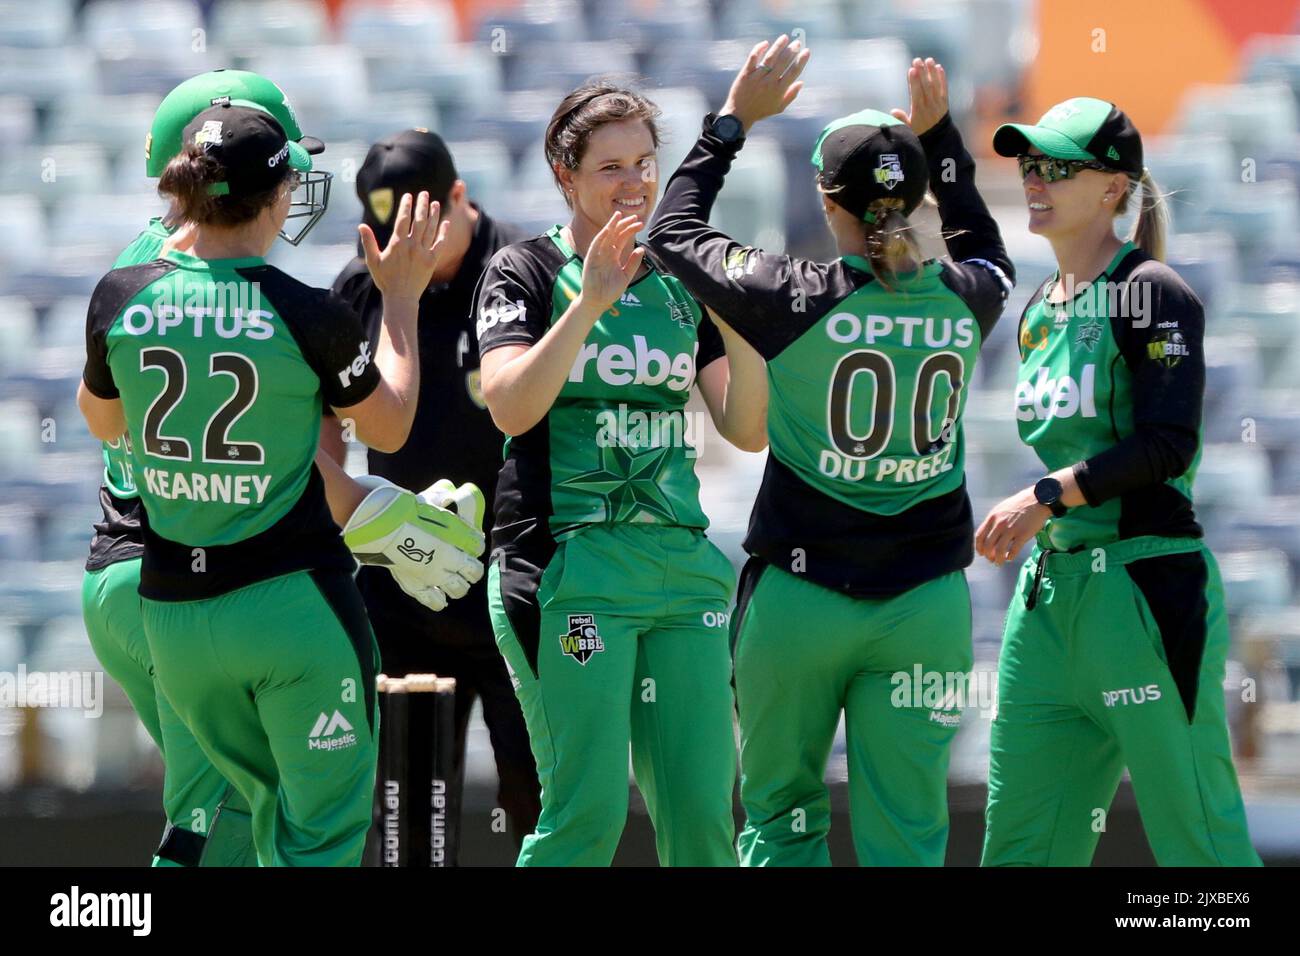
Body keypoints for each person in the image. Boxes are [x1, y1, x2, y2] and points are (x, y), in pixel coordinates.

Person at [78, 103, 483, 866]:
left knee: (219, 820)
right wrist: (398, 298)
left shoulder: (119, 294)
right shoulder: (307, 313)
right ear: (273, 194)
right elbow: (390, 428)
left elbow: (103, 423)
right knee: (316, 840)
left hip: (174, 615)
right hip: (290, 608)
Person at [649, 45, 1015, 866]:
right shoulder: (972, 296)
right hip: (924, 607)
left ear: (824, 197)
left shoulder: (790, 292)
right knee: (910, 830)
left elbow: (670, 232)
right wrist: (943, 137)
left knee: (780, 821)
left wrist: (732, 121)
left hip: (800, 602)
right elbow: (987, 244)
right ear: (917, 196)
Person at [475, 80, 768, 867]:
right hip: (567, 571)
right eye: (610, 166)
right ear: (565, 176)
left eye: (645, 161)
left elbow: (746, 428)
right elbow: (509, 407)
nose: (634, 181)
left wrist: (741, 323)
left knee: (704, 819)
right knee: (587, 817)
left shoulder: (679, 283)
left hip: (680, 573)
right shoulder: (525, 270)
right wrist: (589, 305)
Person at [977, 97, 1261, 866]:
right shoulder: (1039, 309)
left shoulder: (1155, 292)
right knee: (1020, 849)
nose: (1037, 181)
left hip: (1143, 592)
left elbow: (1168, 444)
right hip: (1049, 603)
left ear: (1113, 187)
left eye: (1060, 168)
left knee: (1198, 847)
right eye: (1030, 166)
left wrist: (1046, 495)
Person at [81, 69, 328, 868]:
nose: (290, 187)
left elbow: (101, 416)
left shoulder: (143, 266)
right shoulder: (215, 277)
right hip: (173, 578)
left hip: (135, 576)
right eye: (280, 168)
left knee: (238, 807)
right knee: (220, 818)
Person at [322, 128, 542, 861]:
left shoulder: (521, 270)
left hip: (517, 584)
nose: (404, 254)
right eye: (390, 238)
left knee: (536, 802)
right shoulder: (361, 286)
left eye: (421, 230)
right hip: (402, 585)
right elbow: (323, 430)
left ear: (459, 196)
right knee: (404, 813)